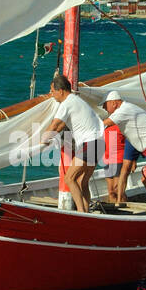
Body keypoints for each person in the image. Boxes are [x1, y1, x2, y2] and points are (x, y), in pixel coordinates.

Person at [102, 90, 146, 215]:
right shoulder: (126, 108)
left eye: (105, 105)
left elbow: (104, 123)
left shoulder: (123, 110)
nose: (104, 108)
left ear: (114, 103)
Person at [40, 74, 103, 213]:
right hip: (99, 143)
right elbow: (61, 125)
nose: (52, 95)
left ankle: (81, 212)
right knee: (82, 182)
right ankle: (87, 213)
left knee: (69, 178)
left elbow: (55, 124)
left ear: (61, 90)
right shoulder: (76, 100)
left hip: (90, 143)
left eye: (52, 91)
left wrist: (42, 140)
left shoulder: (67, 103)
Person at [103, 120, 138, 206]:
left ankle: (124, 207)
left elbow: (133, 143)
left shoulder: (122, 126)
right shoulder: (105, 127)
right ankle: (115, 211)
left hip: (119, 159)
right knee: (111, 191)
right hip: (107, 160)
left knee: (117, 190)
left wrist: (133, 160)